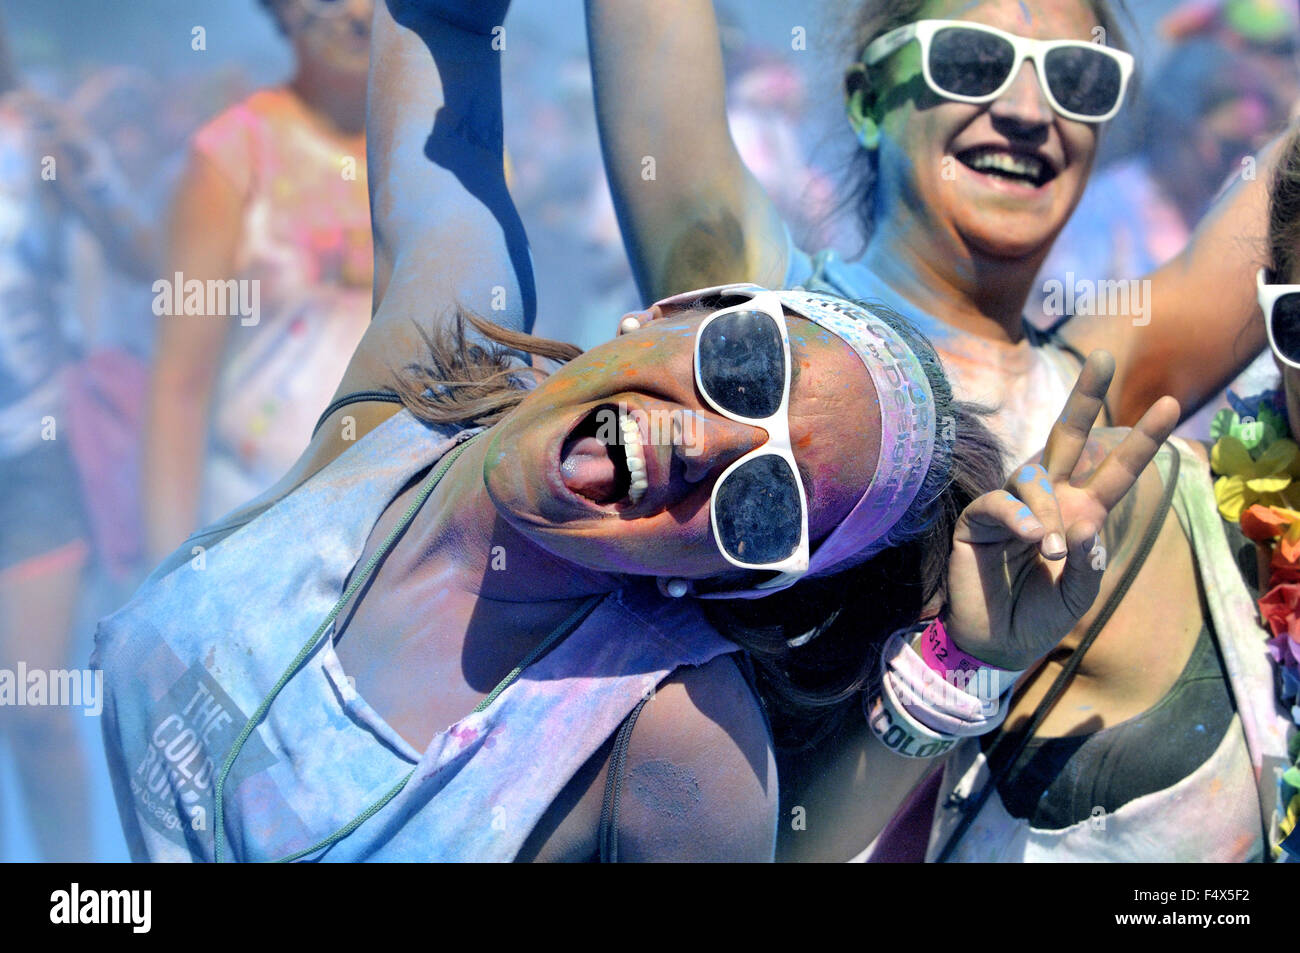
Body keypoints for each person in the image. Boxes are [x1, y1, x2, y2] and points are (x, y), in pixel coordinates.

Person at [93, 0, 1176, 862]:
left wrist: (959, 662)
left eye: (766, 506)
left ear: (736, 579)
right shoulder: (418, 379)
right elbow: (445, 35)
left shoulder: (666, 735)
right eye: (742, 370)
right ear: (667, 310)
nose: (706, 446)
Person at [585, 0, 1284, 467]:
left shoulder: (1094, 391)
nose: (1027, 111)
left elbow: (1288, 190)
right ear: (866, 104)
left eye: (1078, 79)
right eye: (972, 62)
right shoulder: (756, 302)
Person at [144, 0, 378, 560]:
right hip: (261, 528)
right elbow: (181, 382)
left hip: (412, 526)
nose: (356, 11)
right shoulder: (230, 157)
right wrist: (166, 592)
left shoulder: (445, 151)